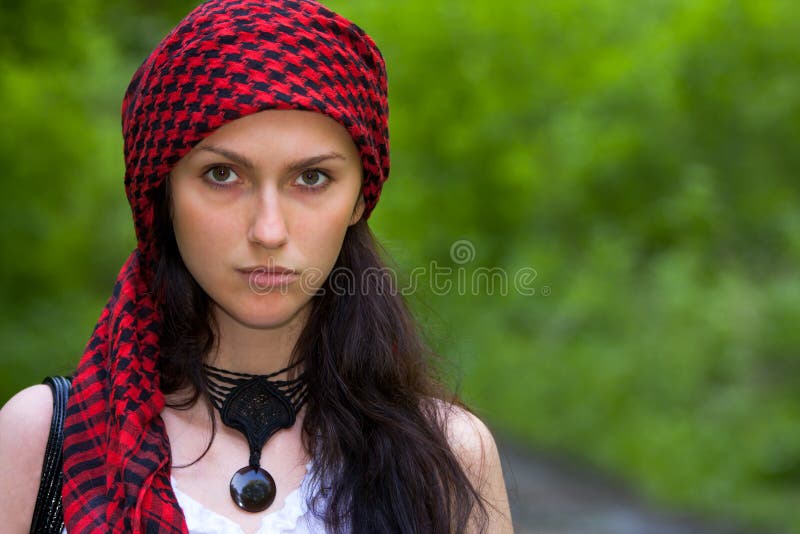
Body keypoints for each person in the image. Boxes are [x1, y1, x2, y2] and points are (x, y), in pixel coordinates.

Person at [0, 0, 513, 532]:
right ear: (163, 192)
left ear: (361, 198)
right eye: (223, 174)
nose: (269, 230)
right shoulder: (45, 441)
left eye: (311, 179)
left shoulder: (448, 454)